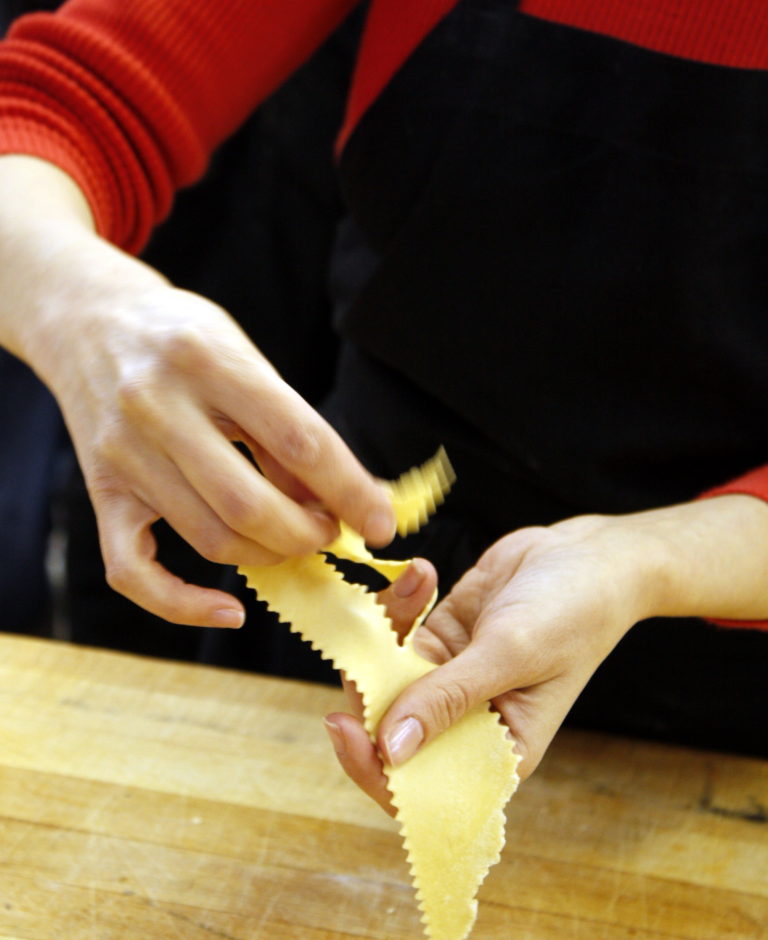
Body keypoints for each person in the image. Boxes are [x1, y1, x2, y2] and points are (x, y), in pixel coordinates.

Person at [0, 0, 766, 816]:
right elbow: (54, 107)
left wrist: (648, 562)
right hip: (357, 622)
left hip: (730, 706)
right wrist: (82, 306)